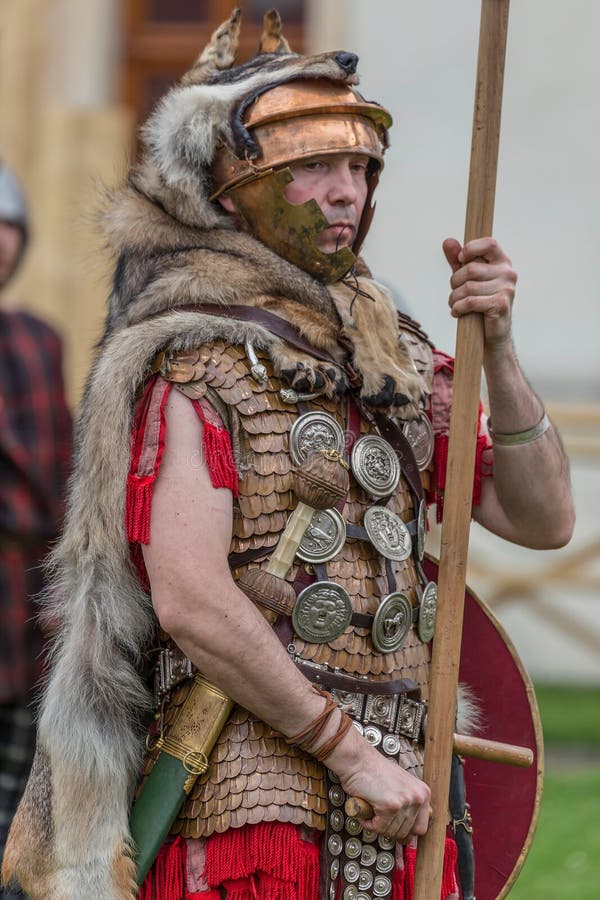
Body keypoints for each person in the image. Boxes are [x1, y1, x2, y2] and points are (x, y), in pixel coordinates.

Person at [2, 10, 574, 900]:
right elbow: (192, 597)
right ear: (233, 194)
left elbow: (542, 520)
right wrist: (348, 752)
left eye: (357, 167)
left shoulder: (402, 356)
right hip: (251, 783)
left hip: (406, 771)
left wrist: (498, 349)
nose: (345, 191)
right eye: (312, 168)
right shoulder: (195, 358)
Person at [0, 162, 72, 899]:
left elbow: (66, 473)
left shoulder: (37, 341)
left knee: (22, 808)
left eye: (8, 224)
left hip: (24, 612)